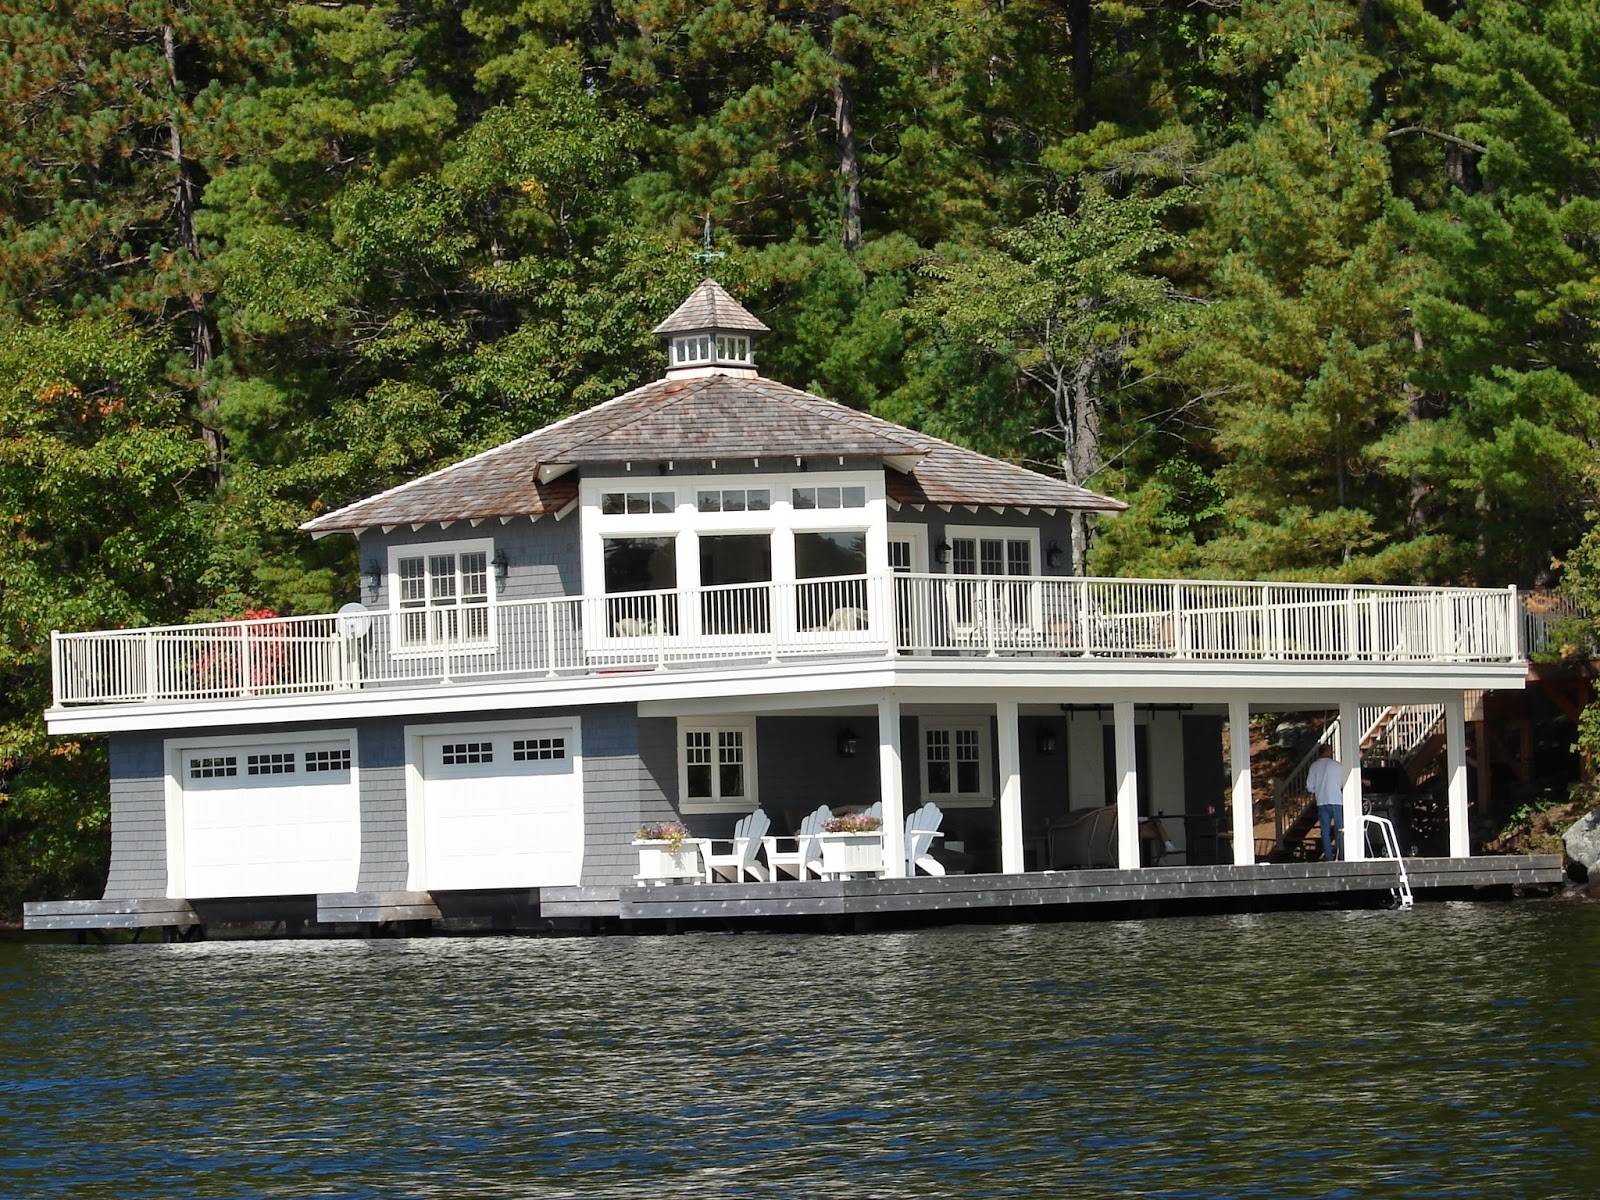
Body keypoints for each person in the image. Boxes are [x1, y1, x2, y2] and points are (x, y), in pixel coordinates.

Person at [1304, 744, 1344, 861]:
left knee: (1325, 831)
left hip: (1322, 801)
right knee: (1341, 829)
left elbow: (1310, 786)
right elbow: (1343, 782)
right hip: (1336, 800)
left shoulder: (1314, 766)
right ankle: (1342, 855)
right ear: (1329, 752)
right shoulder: (1337, 765)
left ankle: (1328, 857)